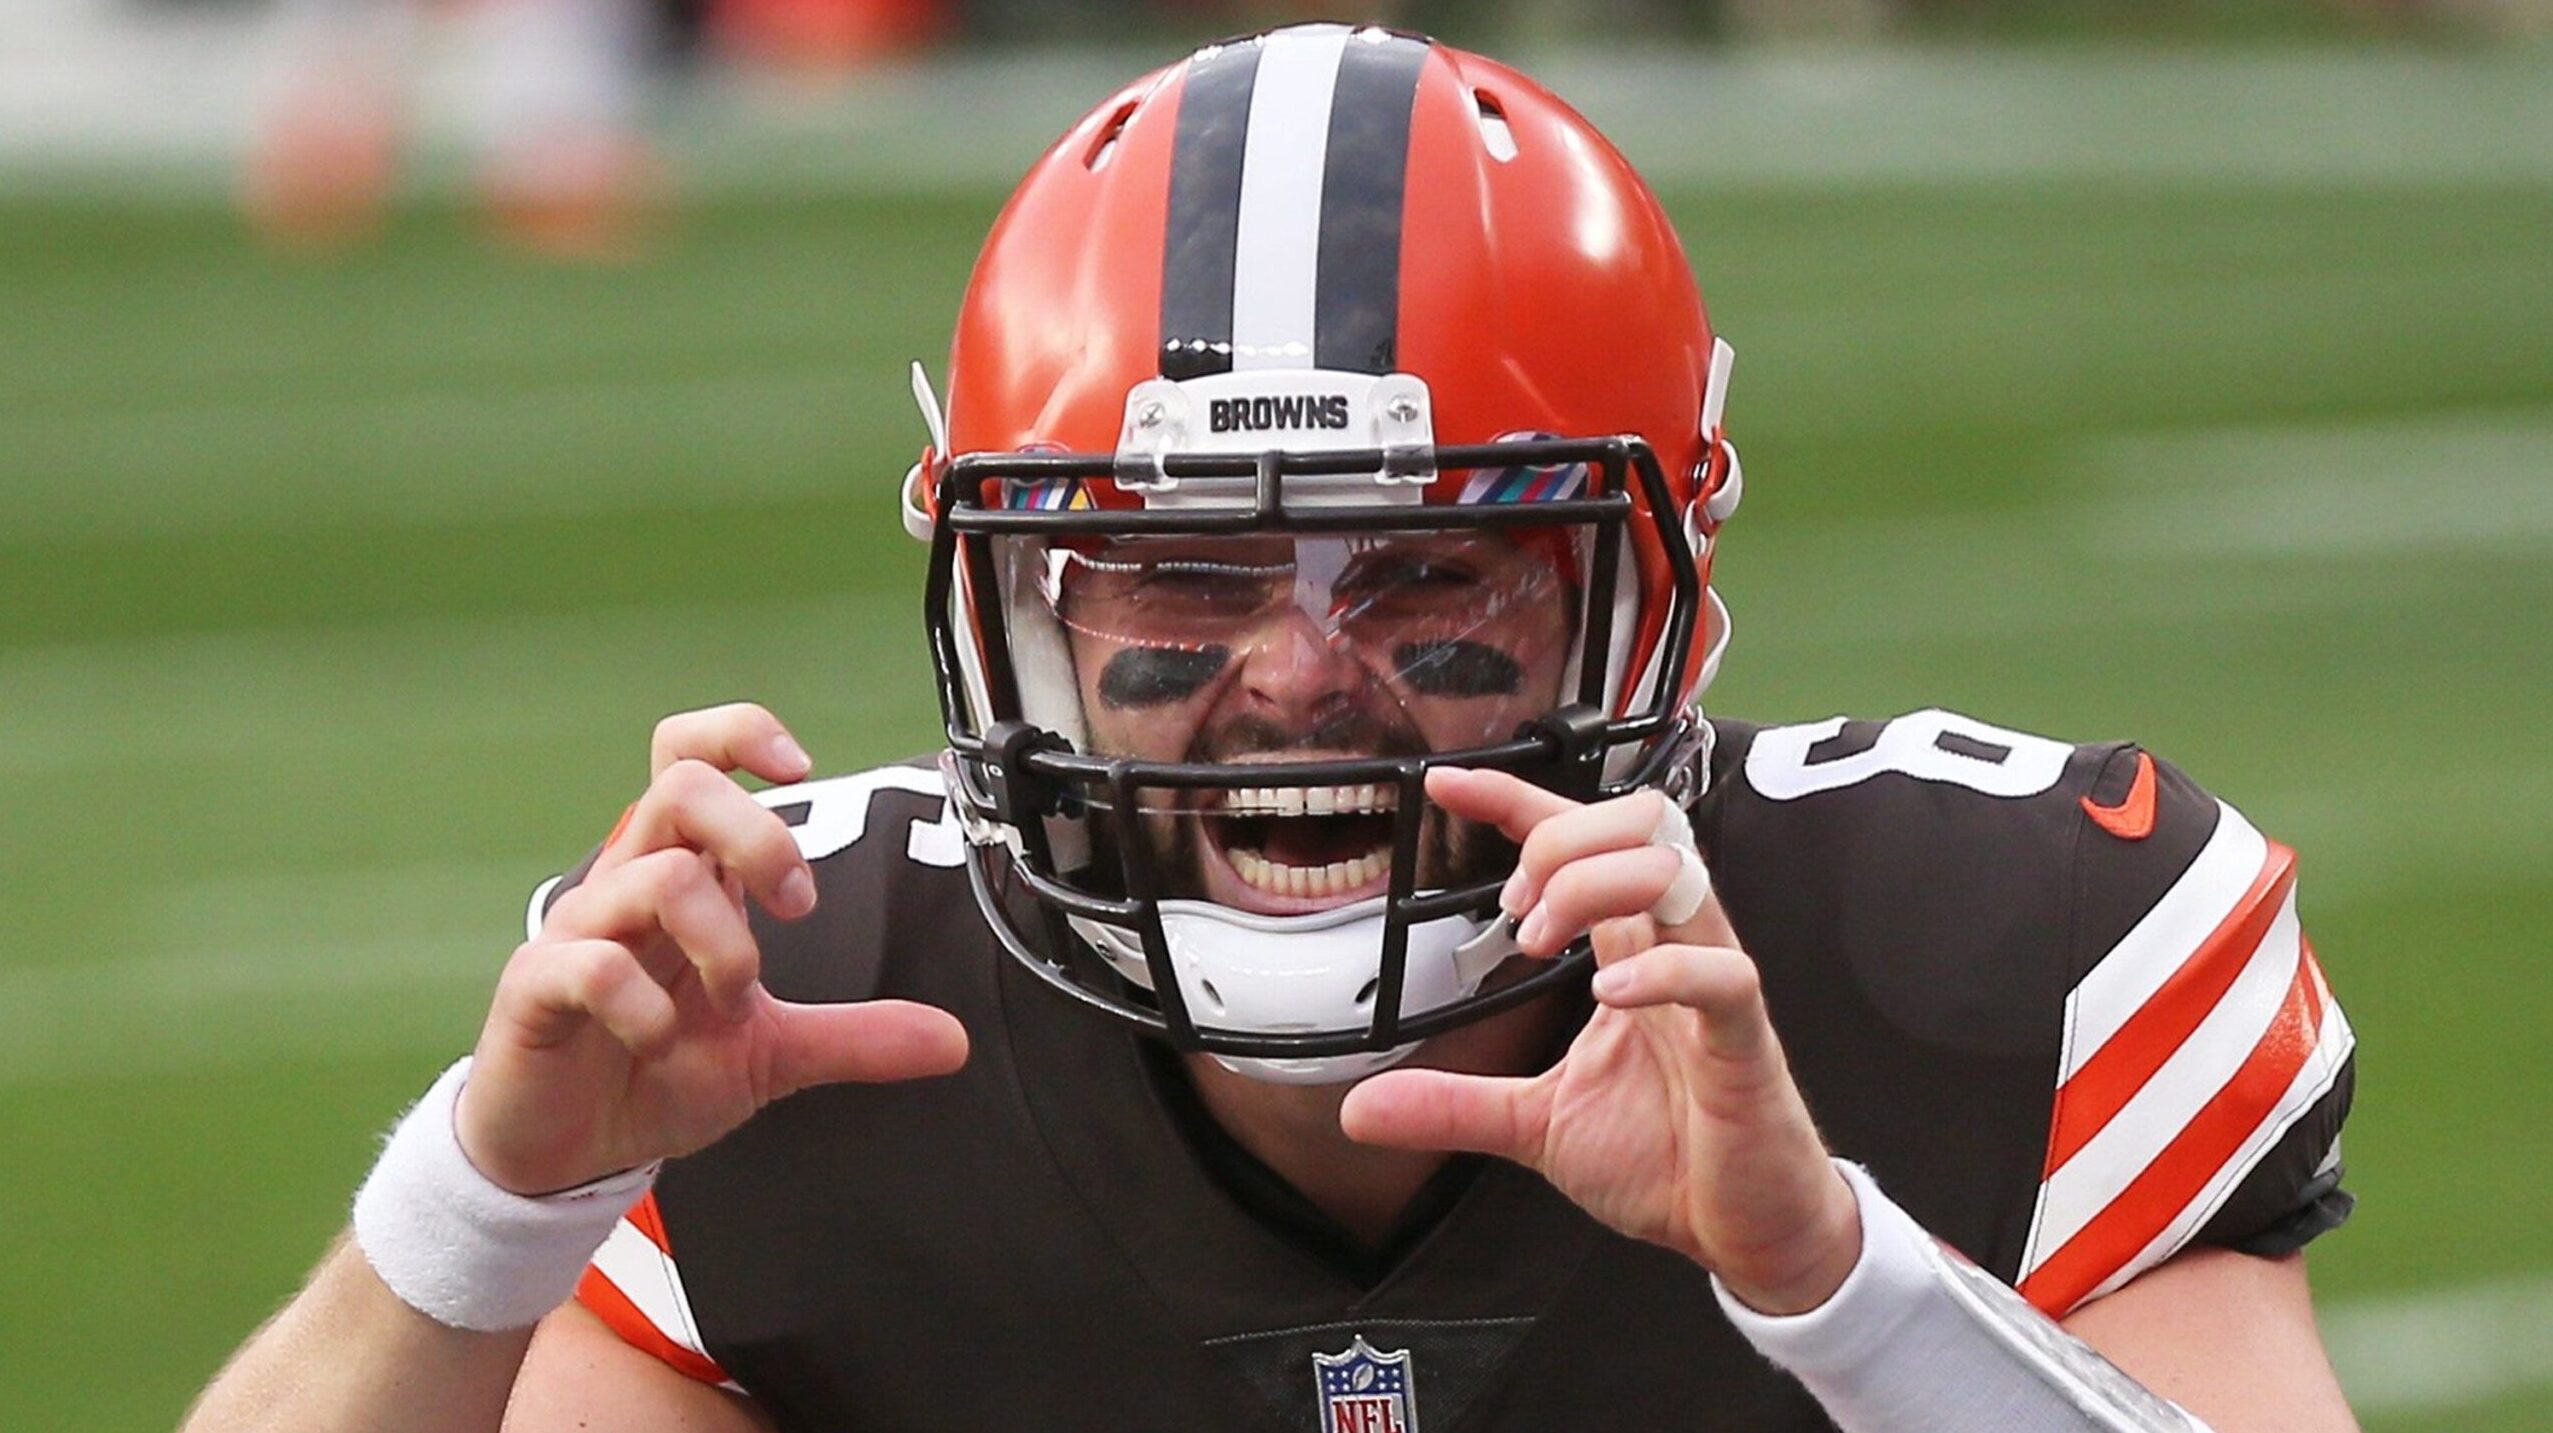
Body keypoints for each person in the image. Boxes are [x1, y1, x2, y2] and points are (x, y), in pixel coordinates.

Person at [185, 23, 2362, 1433]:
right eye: (1182, 573)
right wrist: (485, 1207)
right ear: (1007, 599)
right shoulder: (774, 1005)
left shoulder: (2002, 945)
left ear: (1658, 589)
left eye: (1429, 571)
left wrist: (1833, 1277)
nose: (1299, 673)